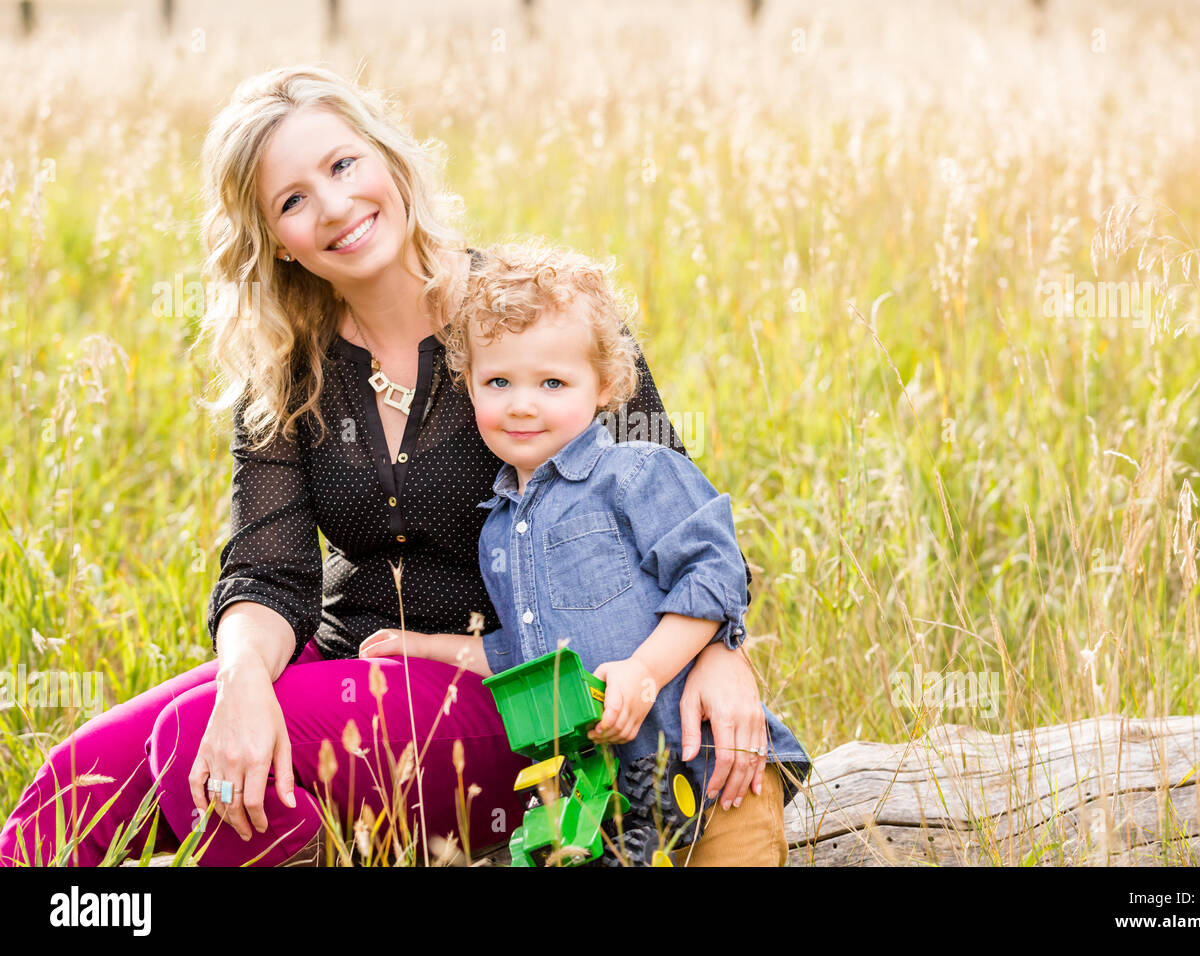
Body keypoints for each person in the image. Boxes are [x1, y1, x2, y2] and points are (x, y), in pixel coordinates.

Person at [0, 64, 783, 867]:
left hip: (513, 688)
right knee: (73, 781)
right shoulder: (289, 368)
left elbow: (674, 506)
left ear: (388, 159)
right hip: (348, 661)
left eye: (342, 166)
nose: (335, 205)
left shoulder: (532, 313)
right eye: (293, 199)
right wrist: (241, 681)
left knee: (189, 749)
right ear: (275, 238)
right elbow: (268, 576)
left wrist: (722, 650)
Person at [359, 238, 811, 865]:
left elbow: (713, 573)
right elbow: (522, 653)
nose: (523, 403)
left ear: (604, 385)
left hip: (712, 773)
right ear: (469, 386)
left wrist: (645, 671)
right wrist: (423, 646)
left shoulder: (636, 474)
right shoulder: (498, 529)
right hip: (614, 806)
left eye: (552, 382)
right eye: (499, 381)